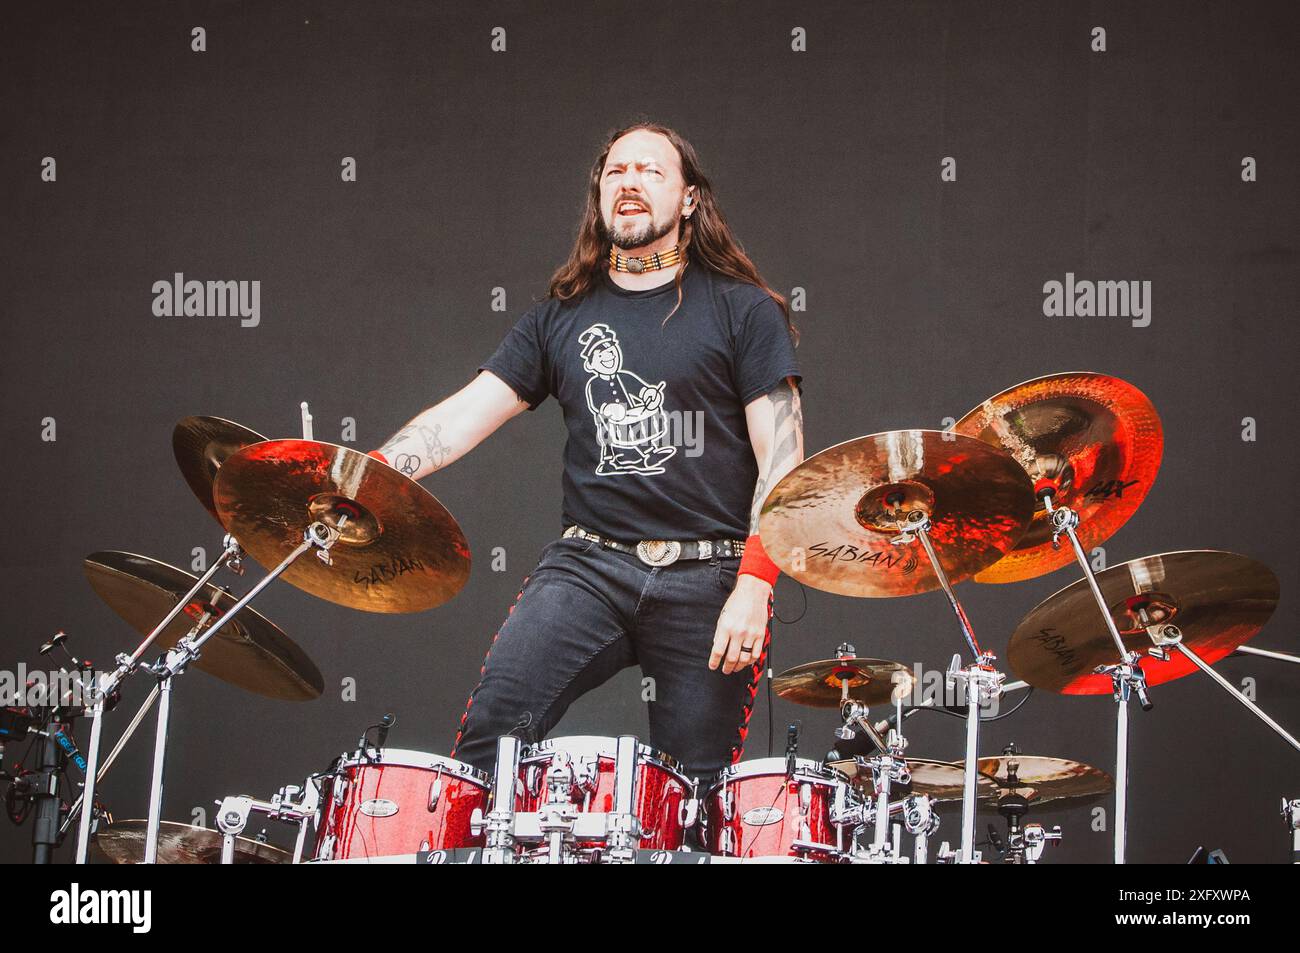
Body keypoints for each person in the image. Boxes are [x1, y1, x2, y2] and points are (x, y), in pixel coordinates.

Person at [371, 122, 804, 784]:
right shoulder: (558, 318)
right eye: (615, 171)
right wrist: (363, 478)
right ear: (600, 195)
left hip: (712, 577)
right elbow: (462, 415)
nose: (628, 181)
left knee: (695, 799)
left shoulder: (743, 311)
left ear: (689, 199)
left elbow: (785, 453)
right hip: (589, 568)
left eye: (650, 171)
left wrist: (755, 580)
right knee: (487, 747)